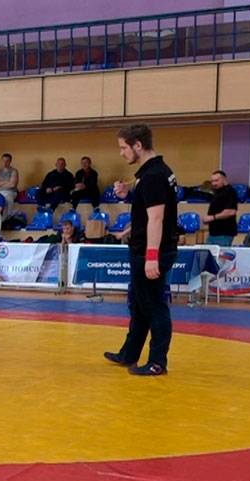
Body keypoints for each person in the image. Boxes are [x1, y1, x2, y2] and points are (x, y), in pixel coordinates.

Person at [104, 123, 179, 376]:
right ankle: (130, 353)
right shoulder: (154, 172)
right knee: (139, 304)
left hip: (151, 250)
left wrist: (151, 256)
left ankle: (158, 362)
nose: (121, 153)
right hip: (144, 247)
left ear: (138, 145)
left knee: (154, 306)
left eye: (124, 147)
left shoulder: (153, 176)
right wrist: (129, 195)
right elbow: (149, 207)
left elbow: (156, 218)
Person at [202, 170, 238, 247]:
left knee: (220, 254)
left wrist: (212, 218)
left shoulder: (229, 192)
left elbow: (231, 212)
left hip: (224, 234)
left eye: (216, 181)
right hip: (213, 233)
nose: (213, 183)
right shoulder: (218, 192)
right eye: (212, 181)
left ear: (224, 180)